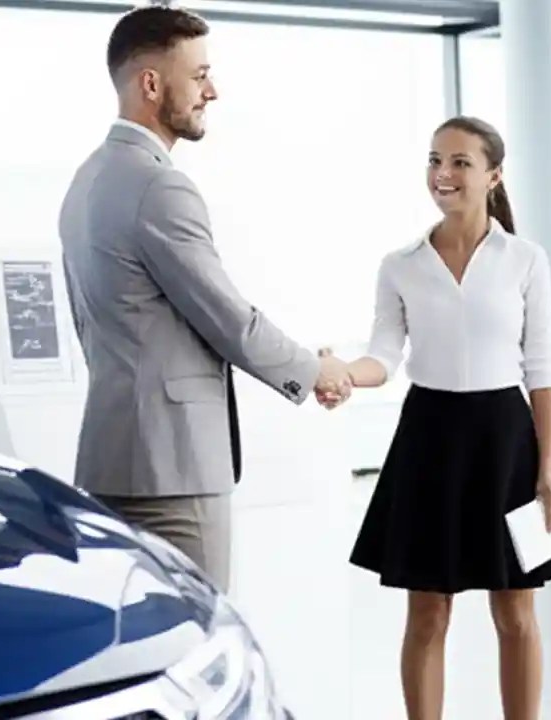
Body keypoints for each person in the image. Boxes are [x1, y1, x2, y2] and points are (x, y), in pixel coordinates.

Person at [57, 5, 352, 593]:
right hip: (174, 474)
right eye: (199, 75)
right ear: (151, 83)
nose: (211, 91)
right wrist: (315, 369)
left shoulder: (86, 180)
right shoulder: (159, 184)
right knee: (200, 641)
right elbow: (228, 321)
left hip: (112, 460)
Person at [322, 116, 551, 720]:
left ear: (493, 175)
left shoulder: (526, 260)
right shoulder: (401, 263)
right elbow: (383, 355)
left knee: (515, 612)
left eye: (460, 161)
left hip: (506, 438)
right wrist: (343, 372)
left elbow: (541, 366)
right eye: (436, 160)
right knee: (427, 612)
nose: (444, 173)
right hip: (428, 437)